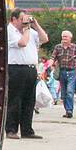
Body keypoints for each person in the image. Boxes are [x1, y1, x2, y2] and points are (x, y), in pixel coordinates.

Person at [6, 9, 48, 140]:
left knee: (29, 101)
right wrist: (27, 29)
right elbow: (22, 43)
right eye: (21, 19)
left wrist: (35, 24)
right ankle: (11, 129)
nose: (24, 21)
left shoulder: (29, 31)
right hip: (16, 68)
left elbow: (44, 39)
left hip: (30, 68)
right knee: (15, 99)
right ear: (14, 19)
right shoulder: (10, 31)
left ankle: (27, 129)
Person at [52, 31, 76, 119]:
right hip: (62, 72)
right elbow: (52, 57)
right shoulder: (58, 47)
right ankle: (67, 110)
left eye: (66, 37)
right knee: (64, 94)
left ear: (70, 38)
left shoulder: (75, 47)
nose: (64, 38)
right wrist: (50, 65)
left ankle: (70, 110)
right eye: (63, 36)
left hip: (72, 71)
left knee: (70, 91)